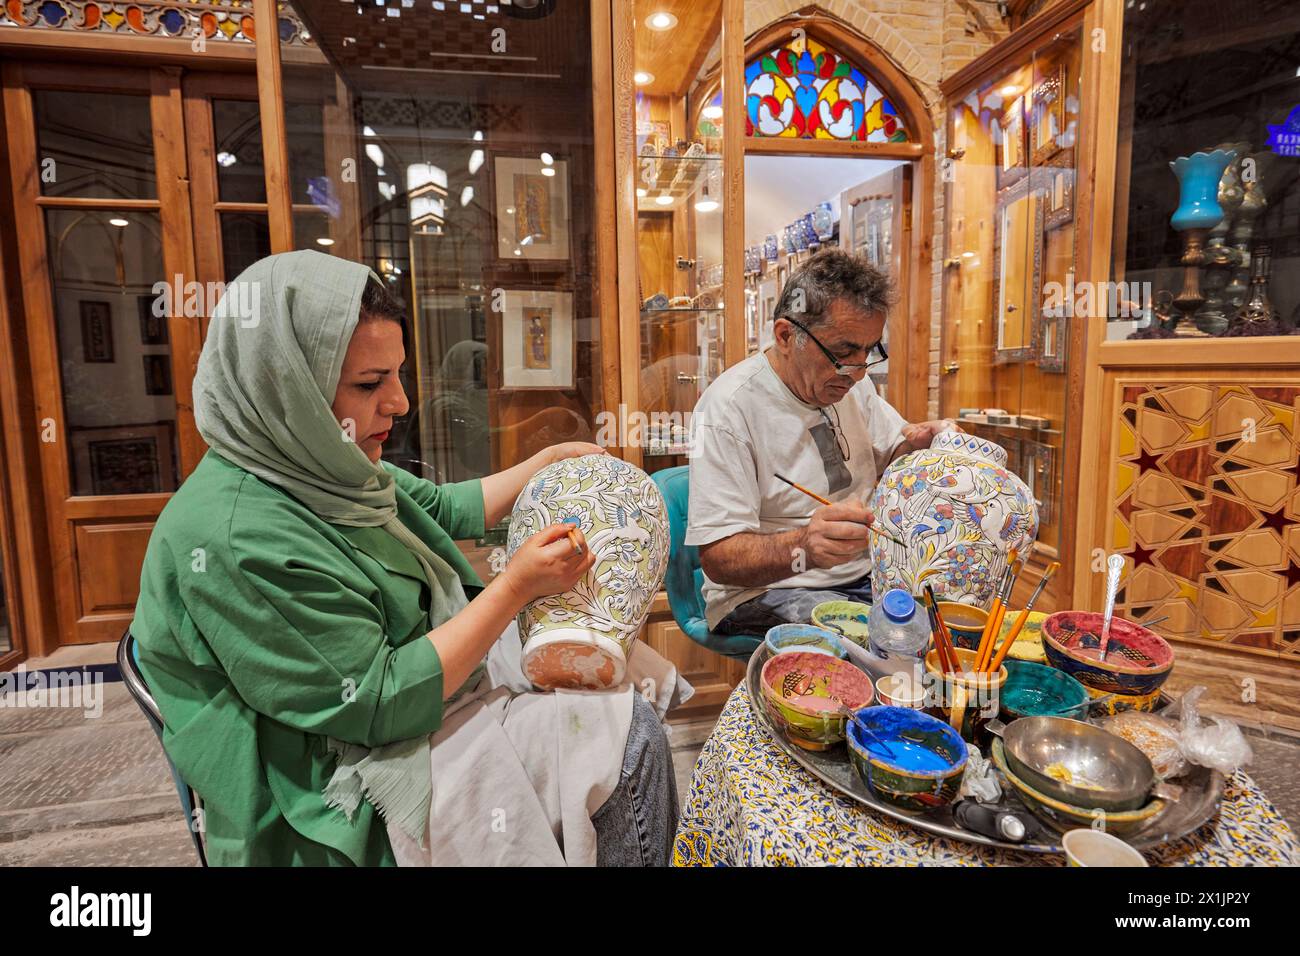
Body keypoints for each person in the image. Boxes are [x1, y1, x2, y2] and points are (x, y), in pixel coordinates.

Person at [131, 251, 679, 866]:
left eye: (397, 374)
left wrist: (545, 465)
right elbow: (378, 699)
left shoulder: (313, 463)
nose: (399, 402)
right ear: (286, 387)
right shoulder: (235, 537)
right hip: (335, 791)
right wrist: (515, 589)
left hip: (400, 701)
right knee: (625, 735)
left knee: (627, 673)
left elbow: (438, 508)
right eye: (370, 384)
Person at [685, 249, 957, 638]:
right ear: (785, 335)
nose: (858, 373)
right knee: (871, 645)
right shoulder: (727, 409)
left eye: (869, 351)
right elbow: (720, 559)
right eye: (843, 352)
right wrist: (805, 547)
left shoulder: (850, 385)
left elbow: (893, 453)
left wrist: (921, 446)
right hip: (769, 591)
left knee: (948, 628)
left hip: (864, 575)